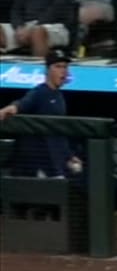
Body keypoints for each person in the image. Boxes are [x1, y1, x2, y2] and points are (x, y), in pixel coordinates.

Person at [0, 48, 81, 179]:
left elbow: (58, 133)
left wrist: (69, 156)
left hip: (54, 163)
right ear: (48, 70)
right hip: (38, 165)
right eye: (58, 66)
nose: (63, 71)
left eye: (65, 67)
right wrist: (11, 107)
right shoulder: (40, 92)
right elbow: (23, 103)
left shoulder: (59, 96)